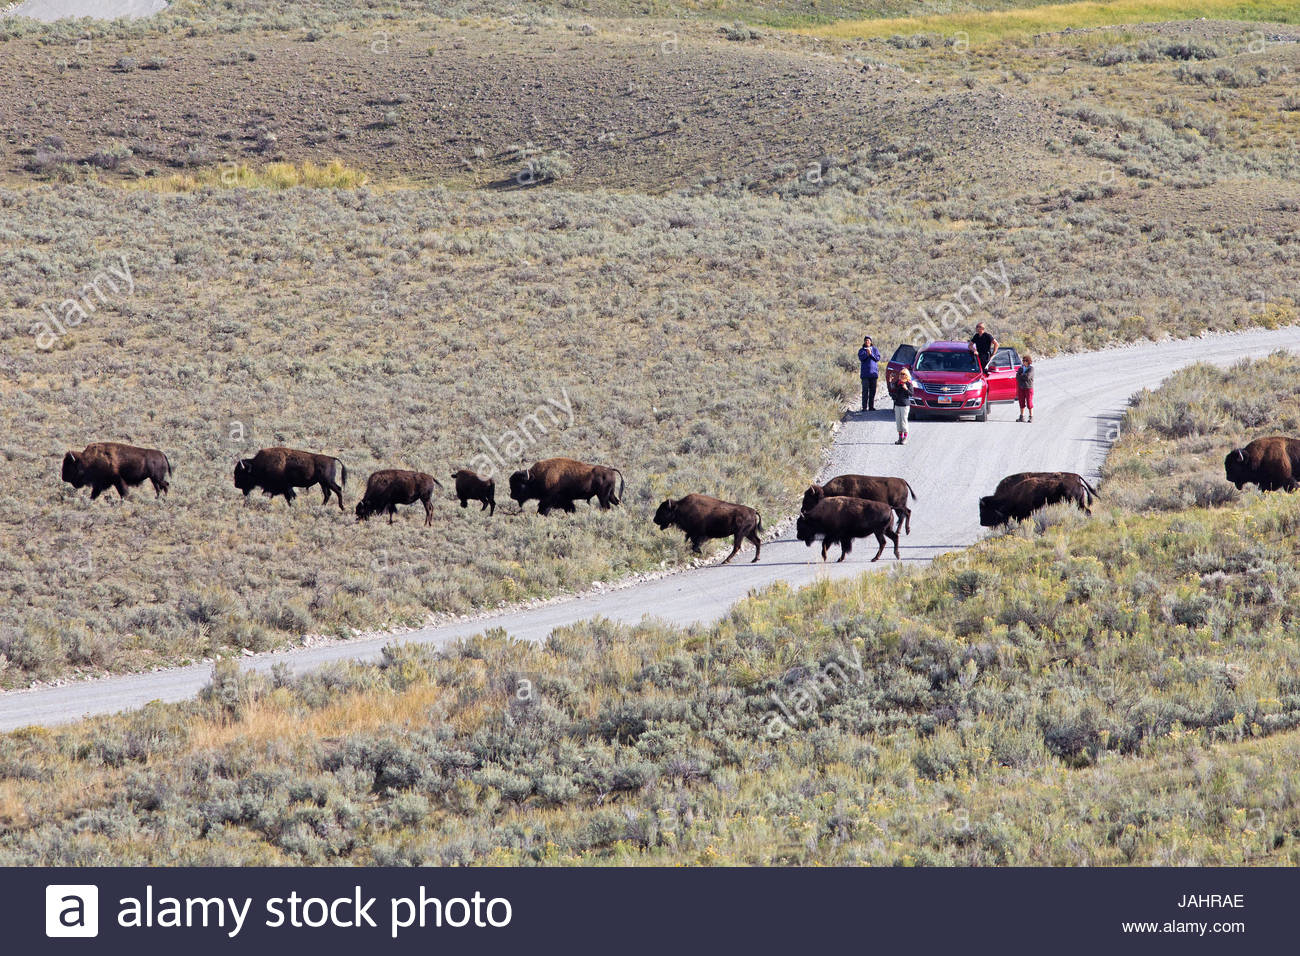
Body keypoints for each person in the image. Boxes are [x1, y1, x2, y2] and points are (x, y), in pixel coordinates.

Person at [857, 335, 881, 411]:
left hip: (873, 374)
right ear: (864, 342)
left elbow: (877, 358)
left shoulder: (875, 350)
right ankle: (864, 407)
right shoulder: (861, 350)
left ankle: (871, 406)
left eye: (868, 340)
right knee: (865, 391)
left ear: (871, 342)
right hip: (865, 375)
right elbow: (861, 358)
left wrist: (871, 354)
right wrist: (867, 354)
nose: (867, 342)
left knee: (872, 391)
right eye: (866, 340)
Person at [893, 368, 913, 445]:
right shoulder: (898, 382)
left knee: (904, 421)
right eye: (901, 374)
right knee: (898, 422)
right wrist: (891, 381)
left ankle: (905, 438)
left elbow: (911, 394)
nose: (902, 375)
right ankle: (900, 438)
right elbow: (893, 389)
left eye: (903, 374)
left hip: (905, 405)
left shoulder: (909, 383)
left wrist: (906, 388)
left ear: (907, 375)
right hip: (897, 404)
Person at [1016, 354, 1034, 422]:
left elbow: (1028, 377)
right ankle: (1021, 416)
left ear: (1028, 361)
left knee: (1029, 402)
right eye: (1023, 360)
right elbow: (1017, 377)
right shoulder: (1021, 368)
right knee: (1021, 402)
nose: (1023, 362)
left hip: (1028, 387)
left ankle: (1031, 416)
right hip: (1021, 387)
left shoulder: (1031, 368)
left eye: (1025, 361)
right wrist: (1022, 376)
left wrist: (1022, 376)